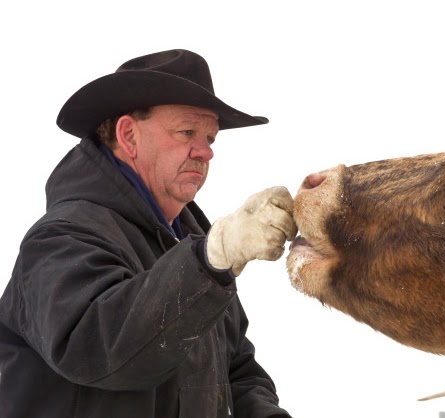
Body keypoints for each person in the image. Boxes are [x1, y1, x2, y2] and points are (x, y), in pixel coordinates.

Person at [0, 49, 296, 418]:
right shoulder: (61, 238)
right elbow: (99, 350)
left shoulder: (191, 249)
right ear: (129, 135)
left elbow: (235, 371)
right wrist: (212, 259)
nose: (205, 152)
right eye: (187, 132)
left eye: (211, 138)